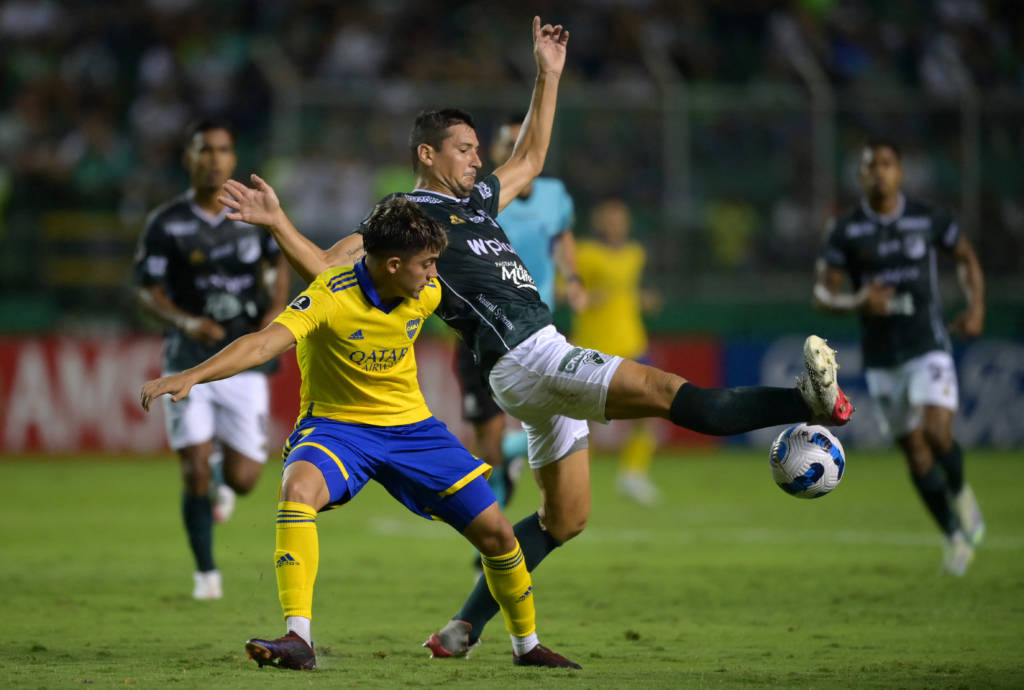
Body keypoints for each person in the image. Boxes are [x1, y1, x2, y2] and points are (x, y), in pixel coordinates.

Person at [219, 16, 853, 658]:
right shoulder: (405, 220)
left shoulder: (476, 203)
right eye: (463, 148)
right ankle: (804, 401)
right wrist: (276, 222)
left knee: (565, 518)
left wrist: (548, 74)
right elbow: (330, 266)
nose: (476, 157)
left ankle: (461, 629)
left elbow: (529, 158)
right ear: (427, 155)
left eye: (474, 149)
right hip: (529, 355)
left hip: (529, 363)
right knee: (668, 392)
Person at [140, 196, 581, 671]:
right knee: (297, 489)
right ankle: (298, 639)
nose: (435, 275)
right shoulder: (331, 294)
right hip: (338, 427)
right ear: (393, 265)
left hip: (412, 429)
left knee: (497, 535)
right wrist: (191, 376)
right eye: (427, 265)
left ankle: (527, 646)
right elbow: (265, 341)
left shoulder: (425, 291)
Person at [813, 138, 986, 576]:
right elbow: (822, 292)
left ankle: (962, 492)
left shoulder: (928, 218)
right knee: (913, 448)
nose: (879, 172)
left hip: (927, 341)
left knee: (936, 431)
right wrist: (857, 302)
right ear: (861, 176)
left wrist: (976, 306)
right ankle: (952, 536)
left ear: (900, 172)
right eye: (870, 166)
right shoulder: (846, 229)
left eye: (887, 164)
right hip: (881, 355)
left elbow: (965, 257)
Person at [132, 118, 289, 600]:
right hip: (186, 360)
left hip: (243, 359)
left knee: (244, 479)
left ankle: (224, 479)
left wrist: (275, 311)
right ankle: (206, 573)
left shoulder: (251, 216)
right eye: (204, 150)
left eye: (222, 149)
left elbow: (278, 264)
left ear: (233, 158)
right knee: (192, 467)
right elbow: (147, 290)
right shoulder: (167, 223)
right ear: (189, 158)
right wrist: (184, 322)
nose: (214, 158)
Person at [453, 113, 585, 519]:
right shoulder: (477, 200)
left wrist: (574, 278)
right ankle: (497, 503)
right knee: (486, 444)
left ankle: (519, 464)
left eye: (518, 144)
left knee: (563, 414)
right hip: (483, 328)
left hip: (536, 326)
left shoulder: (555, 194)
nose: (512, 153)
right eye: (504, 146)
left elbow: (562, 237)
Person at [572, 198, 661, 505]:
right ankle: (578, 480)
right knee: (589, 420)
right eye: (610, 219)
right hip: (594, 345)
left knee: (648, 411)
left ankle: (633, 475)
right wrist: (584, 296)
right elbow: (563, 289)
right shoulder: (584, 253)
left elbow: (627, 292)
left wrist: (642, 299)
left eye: (621, 218)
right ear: (599, 223)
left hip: (633, 342)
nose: (617, 224)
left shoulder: (635, 254)